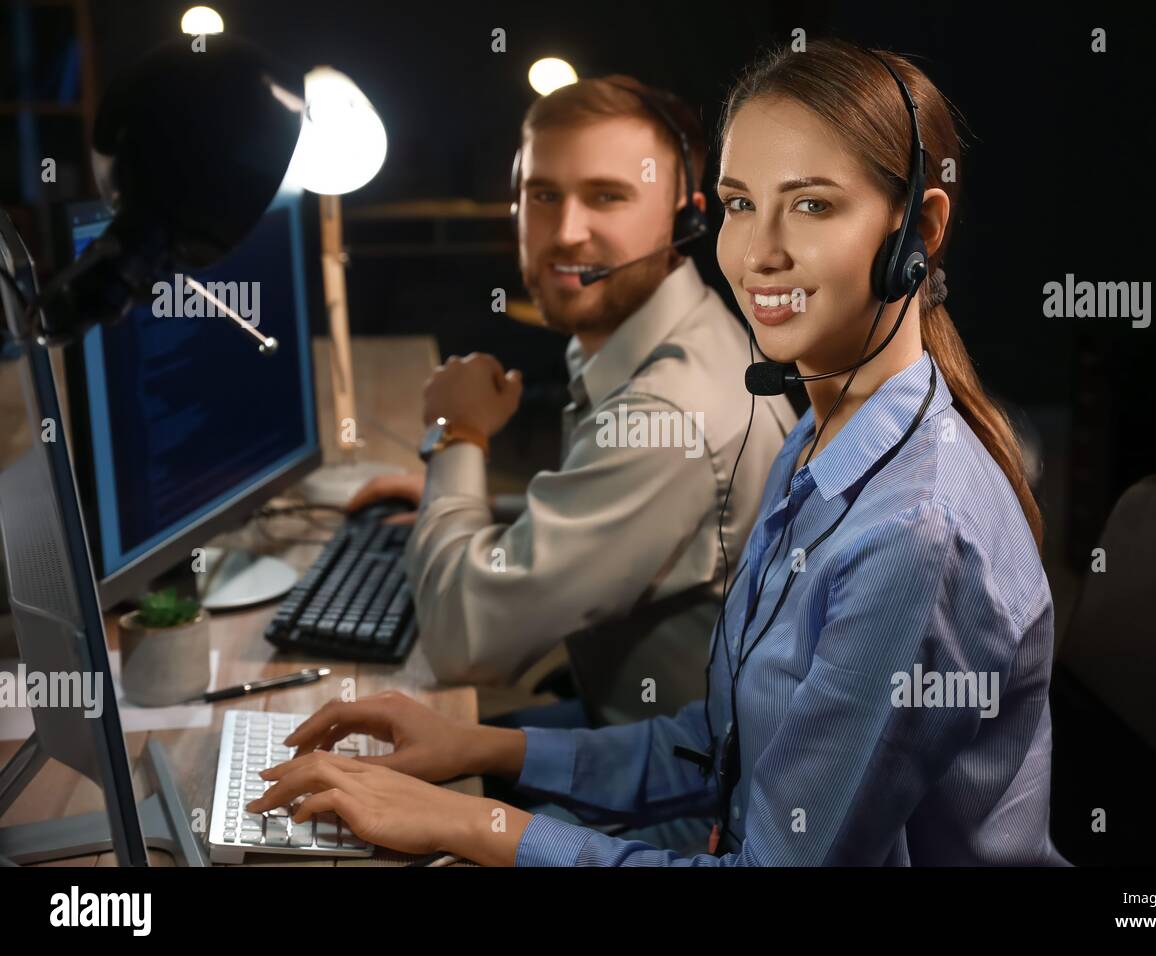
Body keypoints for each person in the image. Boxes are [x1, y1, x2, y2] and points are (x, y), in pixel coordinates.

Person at [252, 41, 1062, 866]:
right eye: (742, 205)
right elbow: (720, 743)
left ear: (917, 229)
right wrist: (477, 749)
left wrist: (471, 823)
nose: (758, 252)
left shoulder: (915, 536)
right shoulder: (826, 440)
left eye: (812, 206)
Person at [349, 76, 795, 726]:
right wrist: (478, 505)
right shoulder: (651, 336)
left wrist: (457, 436)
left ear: (685, 217)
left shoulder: (669, 416)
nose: (565, 232)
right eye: (543, 195)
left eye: (607, 196)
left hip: (674, 799)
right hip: (624, 731)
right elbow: (611, 504)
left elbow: (462, 642)